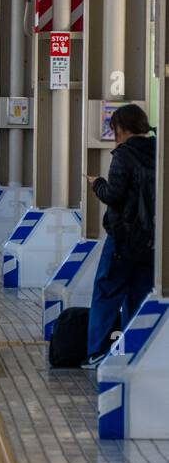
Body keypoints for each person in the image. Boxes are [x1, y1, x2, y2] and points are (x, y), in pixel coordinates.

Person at [84, 104, 156, 368]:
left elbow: (113, 195)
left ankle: (97, 352)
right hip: (150, 242)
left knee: (107, 291)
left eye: (114, 127)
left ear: (122, 127)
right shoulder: (158, 151)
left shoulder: (123, 156)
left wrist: (96, 183)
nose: (113, 132)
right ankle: (134, 353)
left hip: (123, 239)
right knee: (140, 296)